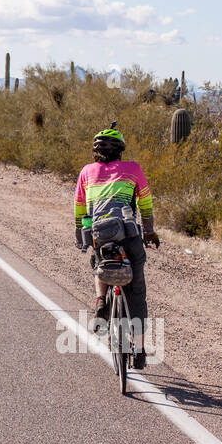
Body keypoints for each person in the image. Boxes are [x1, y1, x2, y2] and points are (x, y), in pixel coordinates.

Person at [73, 126, 159, 368]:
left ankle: (101, 300)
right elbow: (146, 200)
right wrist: (150, 231)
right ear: (121, 150)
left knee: (99, 264)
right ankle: (140, 351)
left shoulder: (87, 172)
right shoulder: (133, 169)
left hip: (99, 235)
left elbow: (80, 208)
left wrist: (81, 236)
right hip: (129, 236)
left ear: (95, 151)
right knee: (137, 292)